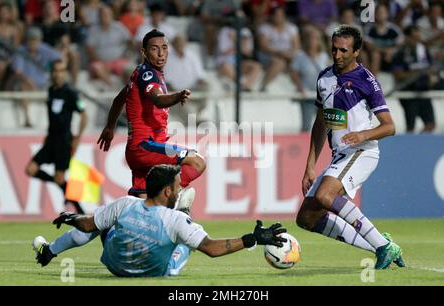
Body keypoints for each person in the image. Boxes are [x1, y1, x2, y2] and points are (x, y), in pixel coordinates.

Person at [33, 164, 287, 276]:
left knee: (100, 220)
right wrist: (253, 238)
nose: (178, 188)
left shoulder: (126, 203)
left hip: (114, 265)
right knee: (186, 239)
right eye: (177, 187)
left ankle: (49, 251)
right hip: (151, 272)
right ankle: (186, 217)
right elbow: (212, 249)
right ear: (167, 192)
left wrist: (71, 216)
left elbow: (87, 224)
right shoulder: (174, 220)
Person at [295, 25, 405, 270]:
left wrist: (362, 134)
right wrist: (310, 165)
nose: (337, 55)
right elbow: (320, 122)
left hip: (362, 152)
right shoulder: (324, 77)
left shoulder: (367, 81)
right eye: (334, 49)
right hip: (340, 157)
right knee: (306, 218)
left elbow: (389, 126)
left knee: (325, 196)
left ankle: (382, 246)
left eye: (343, 50)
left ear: (357, 51)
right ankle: (380, 243)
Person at [97, 29, 206, 204]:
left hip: (139, 150)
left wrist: (110, 127)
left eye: (164, 48)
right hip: (145, 146)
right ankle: (173, 197)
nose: (161, 53)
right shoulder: (148, 74)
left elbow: (119, 100)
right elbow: (158, 100)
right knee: (197, 162)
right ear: (144, 52)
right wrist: (177, 96)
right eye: (155, 49)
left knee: (141, 207)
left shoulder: (140, 73)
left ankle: (100, 228)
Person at [25, 59, 87, 214]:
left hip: (64, 141)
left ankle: (79, 210)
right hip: (50, 139)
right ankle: (66, 192)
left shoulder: (71, 93)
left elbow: (84, 115)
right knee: (30, 169)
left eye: (61, 70)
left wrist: (77, 138)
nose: (57, 74)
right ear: (51, 73)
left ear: (65, 73)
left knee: (59, 178)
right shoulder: (51, 90)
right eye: (55, 70)